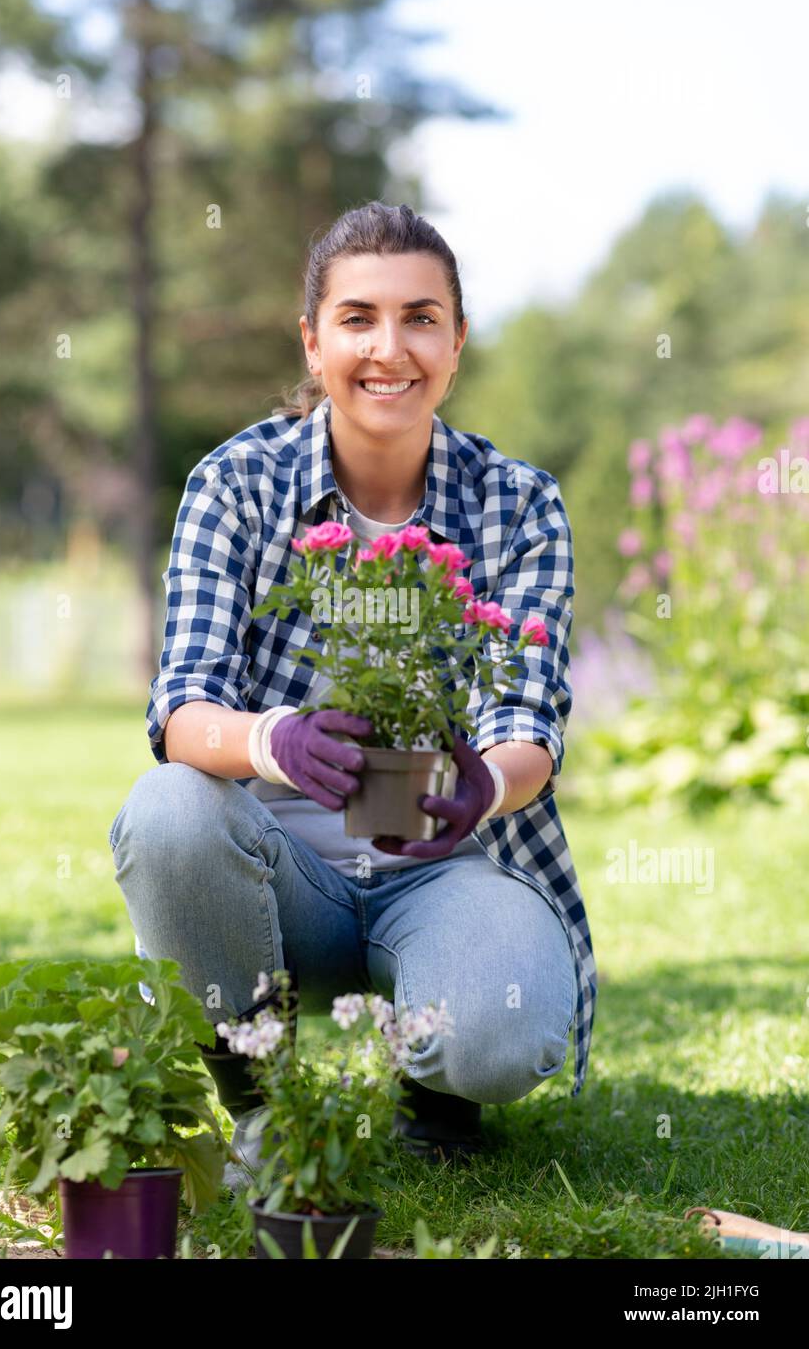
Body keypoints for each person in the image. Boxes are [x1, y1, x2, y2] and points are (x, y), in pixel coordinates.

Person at [108, 200, 598, 1180]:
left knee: (500, 1036)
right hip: (276, 876)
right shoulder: (235, 483)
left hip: (445, 865)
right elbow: (181, 711)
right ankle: (258, 1095)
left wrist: (483, 789)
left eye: (421, 317)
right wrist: (271, 741)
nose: (390, 348)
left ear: (457, 341)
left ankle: (439, 1088)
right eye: (358, 317)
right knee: (167, 812)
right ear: (314, 338)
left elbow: (527, 722)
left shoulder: (517, 503)